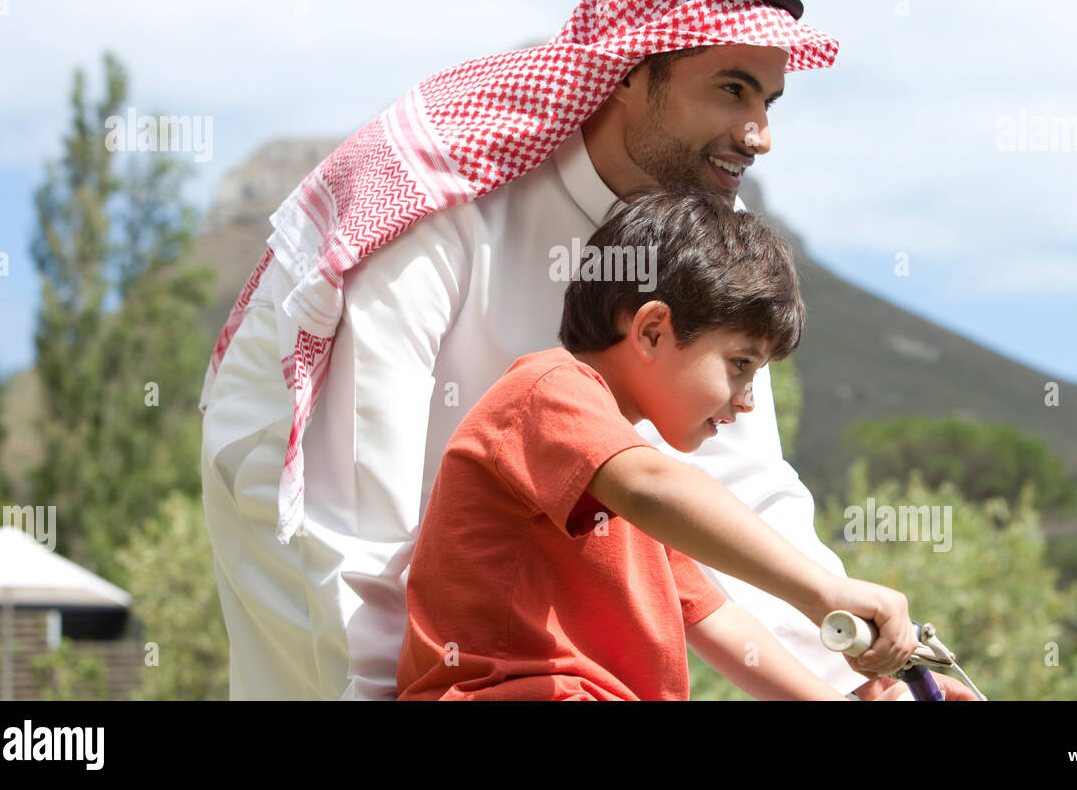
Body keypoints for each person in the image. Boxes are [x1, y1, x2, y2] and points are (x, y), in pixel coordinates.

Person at [199, 0, 976, 700]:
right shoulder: (441, 203)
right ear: (632, 72)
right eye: (732, 90)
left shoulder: (692, 257)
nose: (759, 135)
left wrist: (870, 682)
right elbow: (361, 514)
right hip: (298, 475)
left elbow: (739, 492)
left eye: (768, 103)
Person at [397, 186, 930, 700]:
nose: (747, 401)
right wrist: (825, 594)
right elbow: (652, 486)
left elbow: (717, 621)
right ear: (652, 330)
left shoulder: (628, 486)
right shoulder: (550, 392)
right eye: (740, 365)